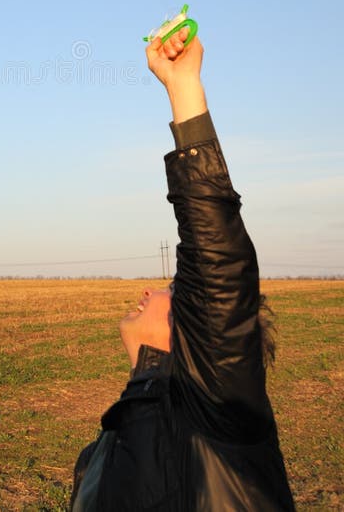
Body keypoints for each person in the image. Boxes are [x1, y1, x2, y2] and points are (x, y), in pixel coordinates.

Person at [70, 28, 295, 511]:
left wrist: (182, 85)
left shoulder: (214, 402)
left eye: (177, 287)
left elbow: (215, 255)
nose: (150, 290)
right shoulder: (101, 448)